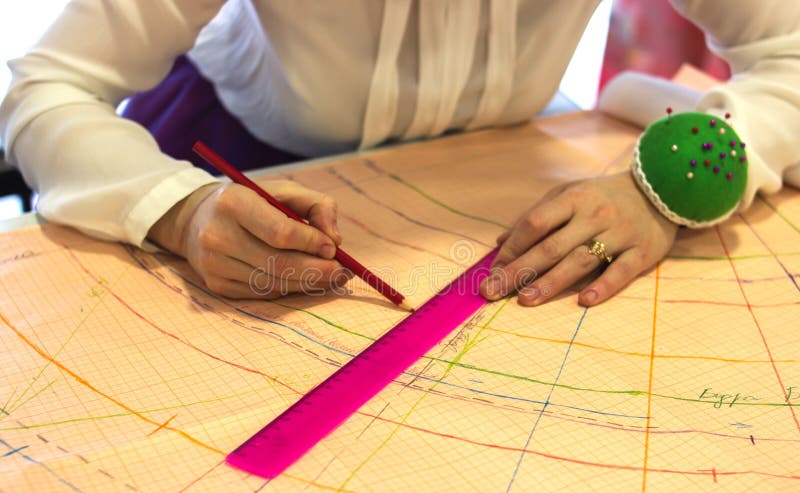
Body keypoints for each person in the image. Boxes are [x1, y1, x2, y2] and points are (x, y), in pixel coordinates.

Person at [1, 0, 798, 308]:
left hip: (501, 164)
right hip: (243, 163)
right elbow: (48, 84)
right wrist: (176, 208)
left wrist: (665, 190)